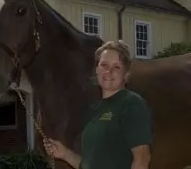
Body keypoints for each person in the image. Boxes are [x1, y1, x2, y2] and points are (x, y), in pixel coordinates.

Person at [44, 40, 153, 169]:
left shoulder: (131, 104)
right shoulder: (94, 110)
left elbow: (141, 159)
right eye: (104, 65)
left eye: (116, 67)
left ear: (126, 74)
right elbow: (89, 164)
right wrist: (65, 154)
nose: (109, 71)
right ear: (97, 70)